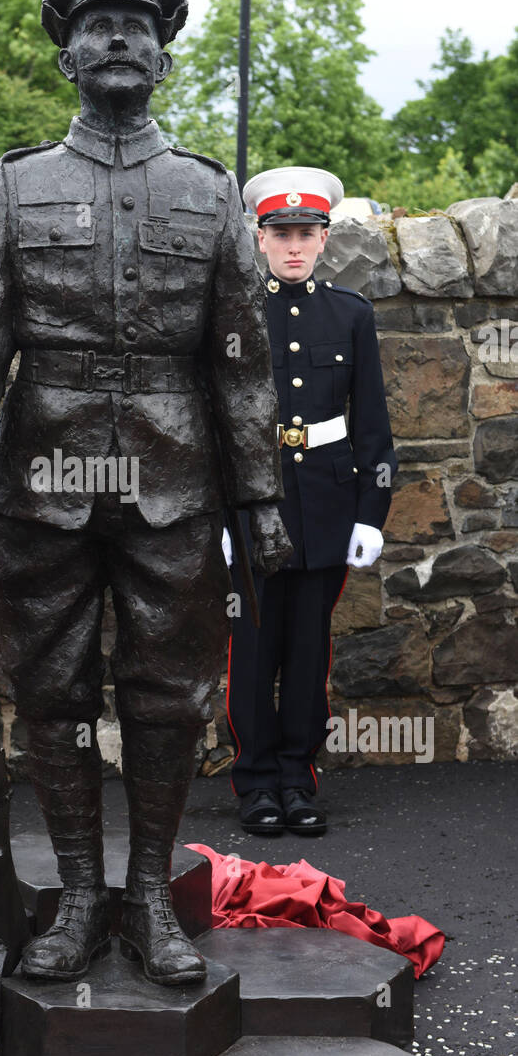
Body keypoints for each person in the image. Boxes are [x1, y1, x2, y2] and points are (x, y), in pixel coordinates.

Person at [0, 0, 292, 986]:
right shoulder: (14, 182)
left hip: (173, 479)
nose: (119, 35)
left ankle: (148, 894)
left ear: (165, 56)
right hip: (44, 474)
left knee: (167, 693)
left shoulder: (208, 193)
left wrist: (259, 492)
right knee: (50, 686)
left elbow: (240, 356)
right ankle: (78, 891)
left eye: (138, 23)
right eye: (98, 22)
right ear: (69, 53)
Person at [226, 166, 397, 836]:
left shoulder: (350, 315)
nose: (293, 245)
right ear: (259, 240)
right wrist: (220, 516)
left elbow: (374, 424)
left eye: (305, 233)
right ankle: (254, 782)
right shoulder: (235, 314)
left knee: (307, 652)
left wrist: (369, 513)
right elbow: (216, 422)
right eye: (280, 234)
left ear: (324, 239)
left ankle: (298, 779)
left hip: (326, 501)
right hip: (253, 503)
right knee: (253, 650)